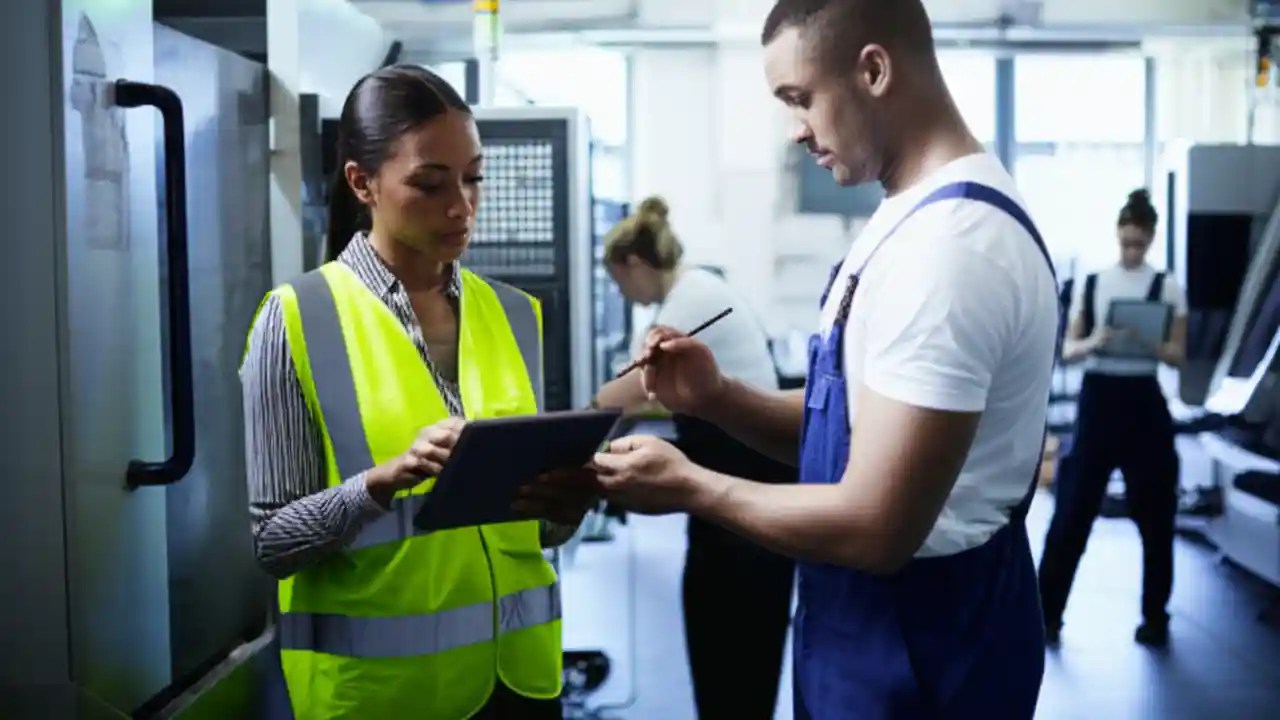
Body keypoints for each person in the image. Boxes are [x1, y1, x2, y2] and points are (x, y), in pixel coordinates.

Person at [561, 1, 1062, 717]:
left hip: (922, 646)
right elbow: (860, 426)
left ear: (874, 70)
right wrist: (720, 398)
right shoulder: (904, 217)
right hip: (862, 624)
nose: (794, 129)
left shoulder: (951, 249)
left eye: (801, 99)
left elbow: (875, 525)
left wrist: (691, 486)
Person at [240, 65, 595, 720]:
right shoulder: (294, 320)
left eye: (473, 178)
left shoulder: (514, 313)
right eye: (430, 184)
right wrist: (380, 483)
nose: (461, 205)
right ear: (362, 182)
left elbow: (531, 533)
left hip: (519, 684)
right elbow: (273, 542)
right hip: (382, 697)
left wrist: (567, 503)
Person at [593, 197, 796, 719]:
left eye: (620, 284)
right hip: (744, 490)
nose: (626, 297)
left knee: (727, 651)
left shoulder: (688, 300)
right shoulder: (697, 290)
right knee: (729, 654)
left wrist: (576, 423)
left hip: (745, 496)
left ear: (635, 265)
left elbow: (628, 392)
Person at [1038, 189, 1188, 648]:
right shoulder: (1094, 283)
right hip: (1099, 399)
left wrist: (1148, 342)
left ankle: (1155, 618)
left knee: (1156, 517)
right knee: (1071, 514)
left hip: (1144, 400)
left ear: (1151, 238)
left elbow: (1179, 356)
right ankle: (1046, 616)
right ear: (1116, 235)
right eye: (1125, 242)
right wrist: (1096, 341)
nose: (1131, 252)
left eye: (1139, 243)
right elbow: (1065, 349)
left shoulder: (1167, 287)